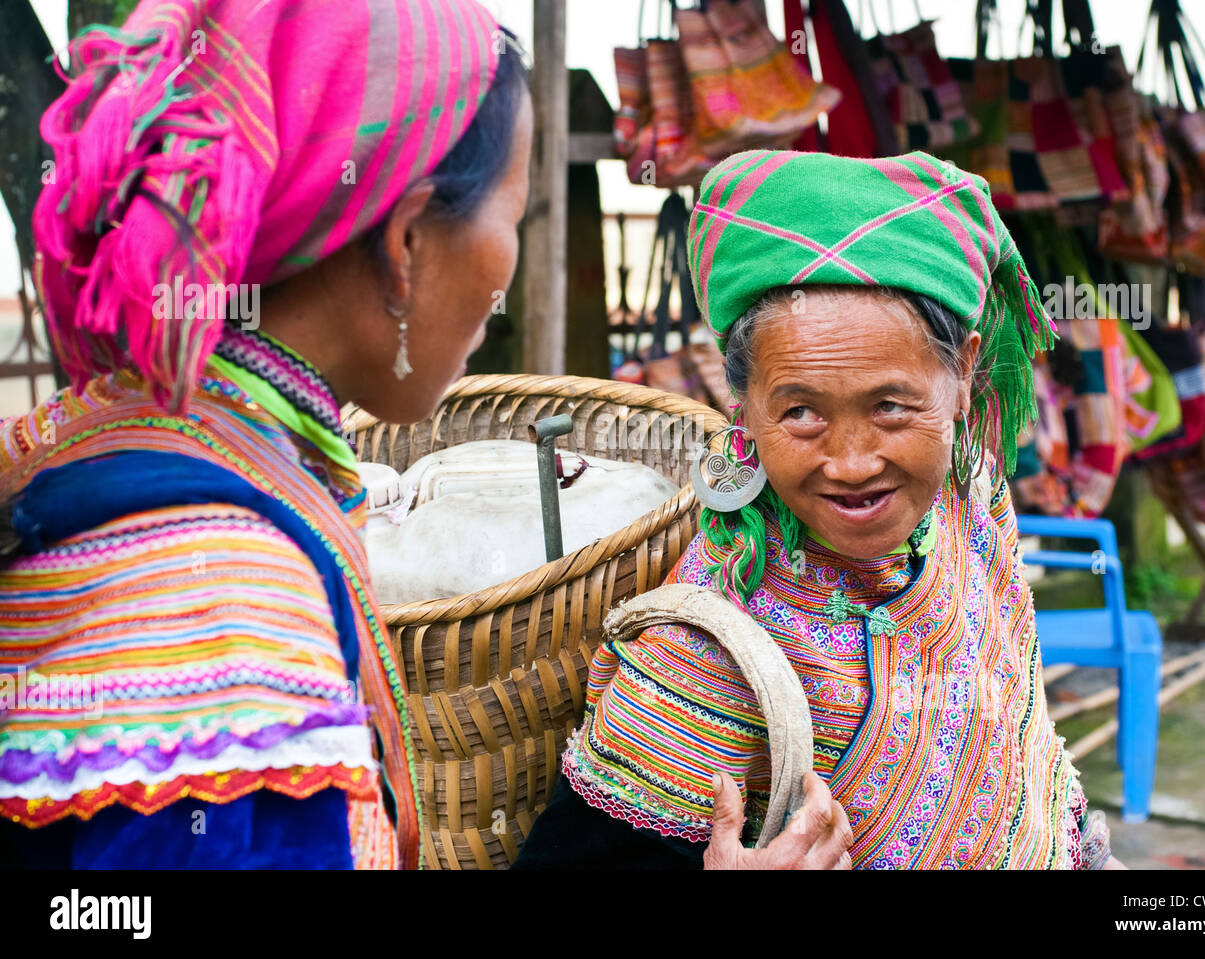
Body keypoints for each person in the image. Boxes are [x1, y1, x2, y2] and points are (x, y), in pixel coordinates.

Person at [0, 0, 531, 869]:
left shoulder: (105, 437)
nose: (508, 259)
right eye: (513, 214)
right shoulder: (230, 599)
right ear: (406, 242)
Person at [515, 149, 1121, 870]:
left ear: (963, 373)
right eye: (801, 412)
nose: (852, 462)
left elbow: (1023, 755)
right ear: (744, 405)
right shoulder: (701, 660)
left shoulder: (970, 504)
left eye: (890, 406)